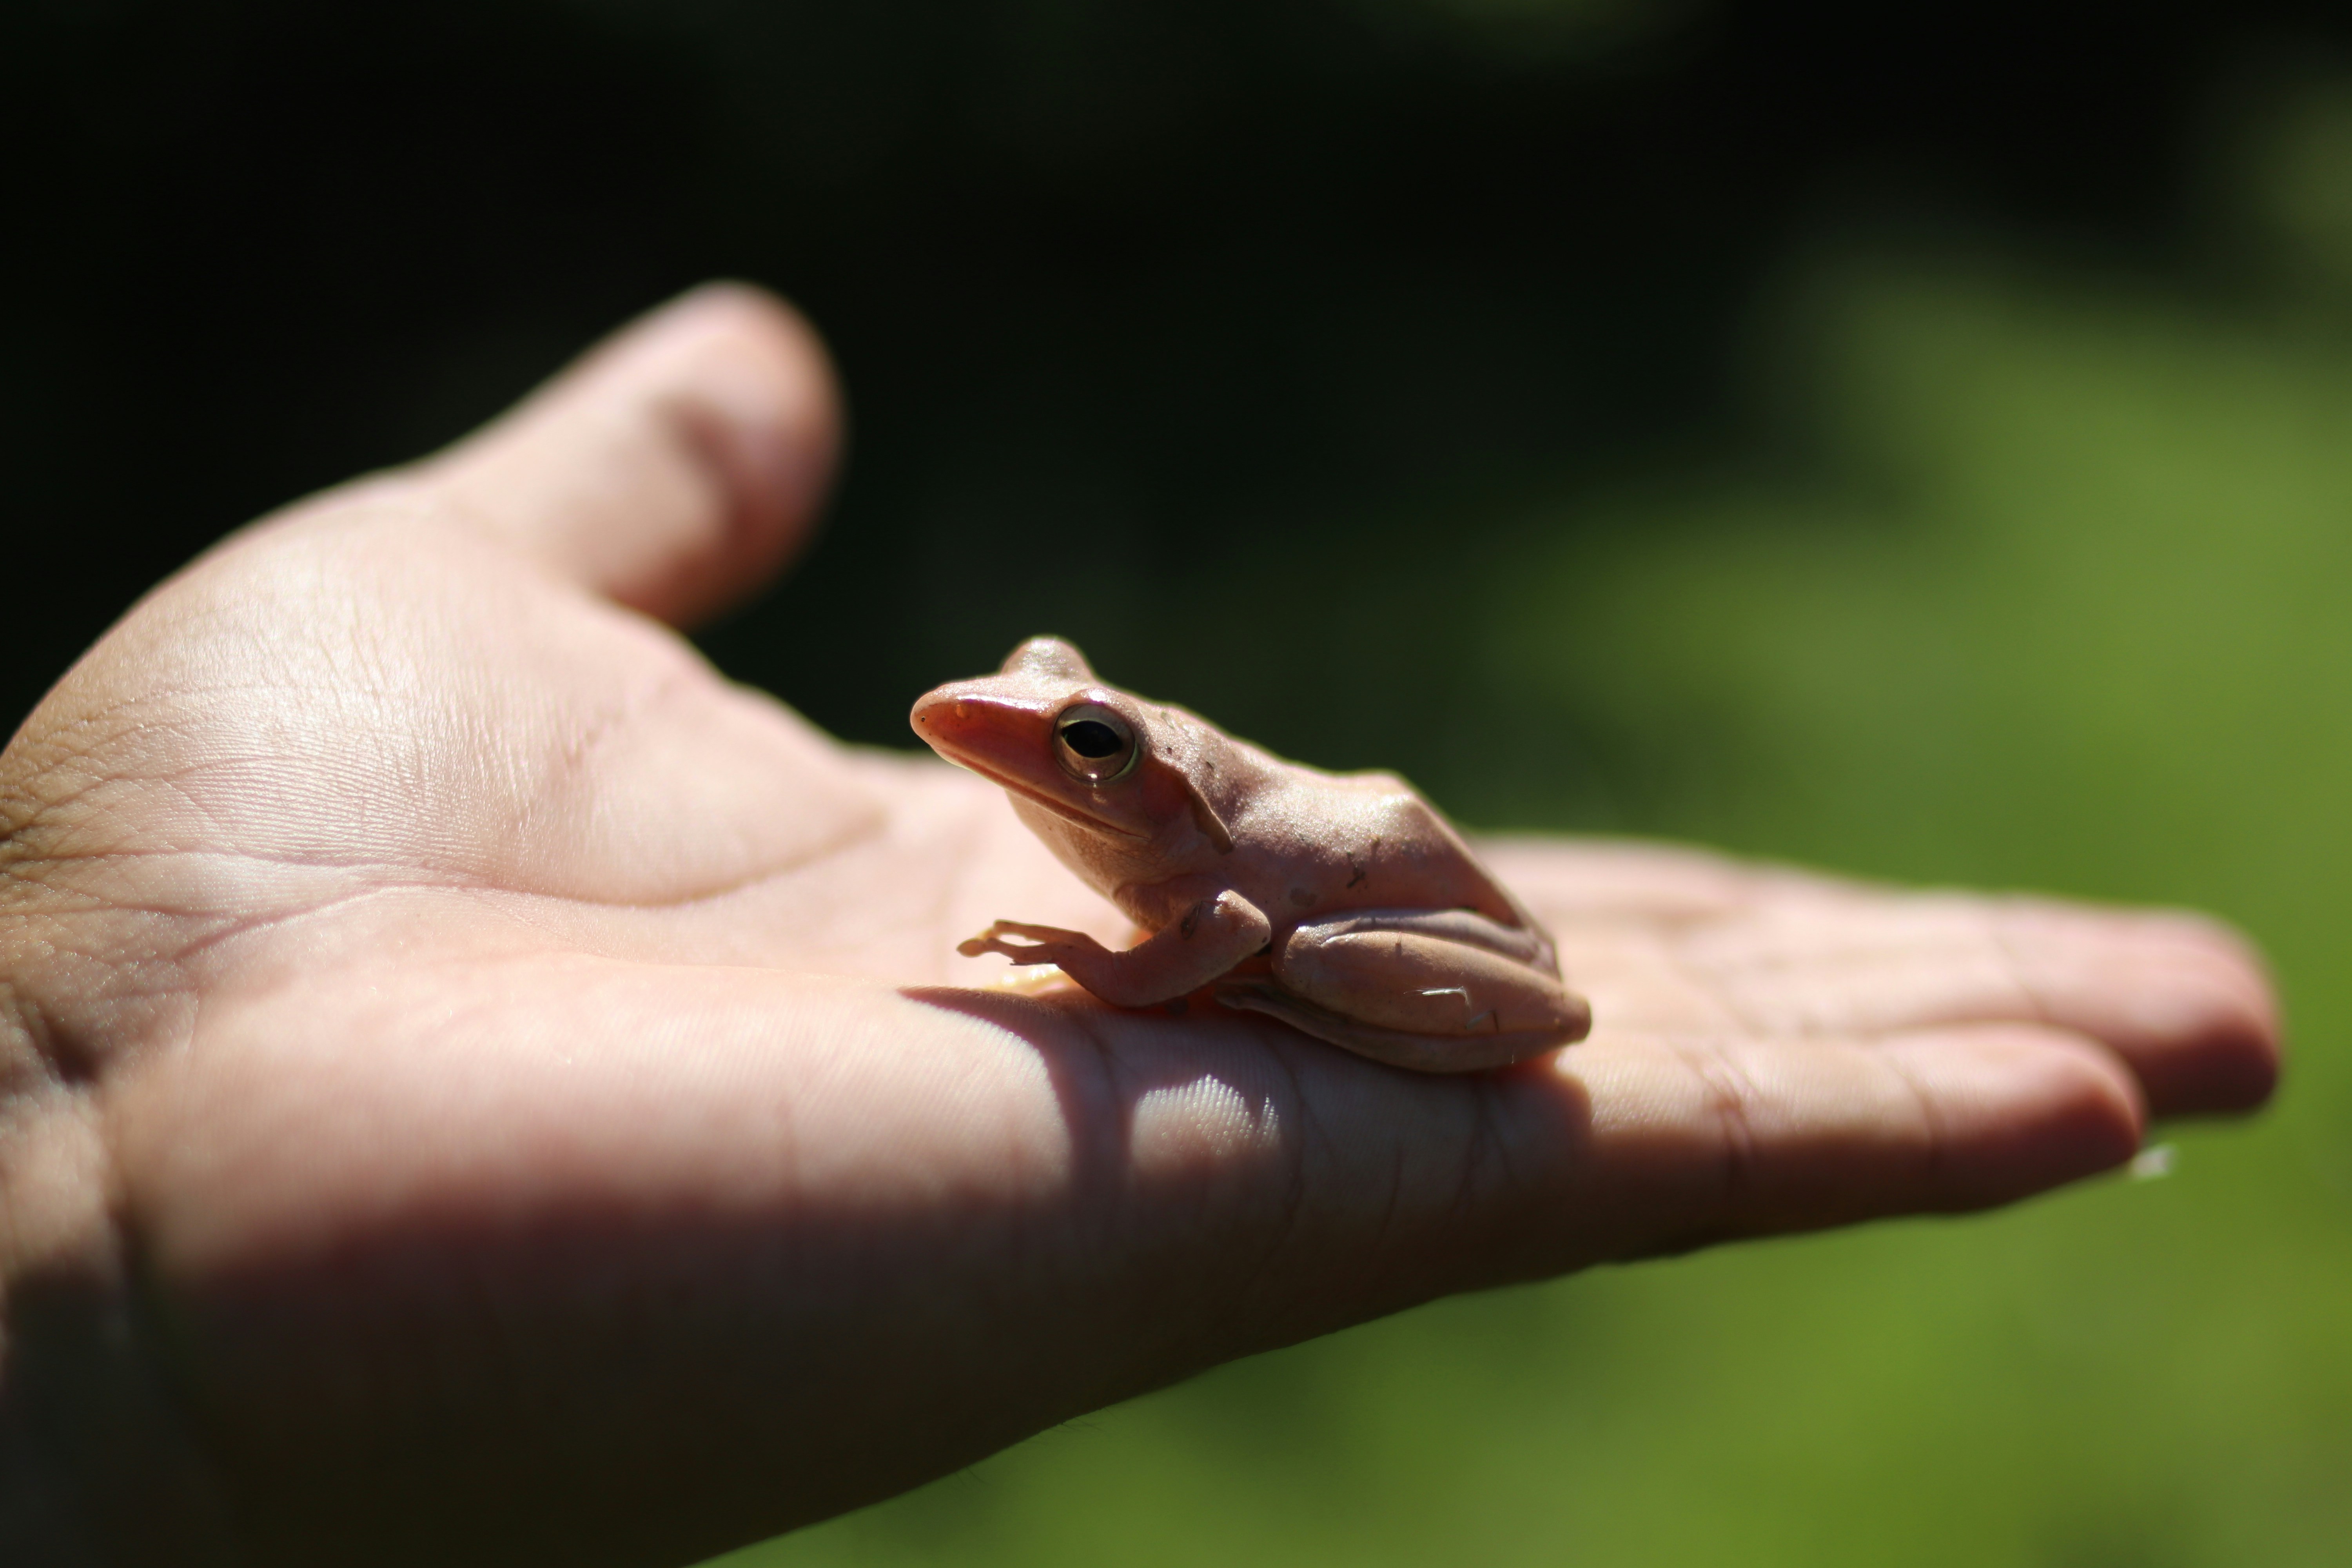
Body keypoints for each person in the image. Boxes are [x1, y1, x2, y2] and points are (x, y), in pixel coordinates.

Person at [0, 286, 2279, 1567]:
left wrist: (1120, 966)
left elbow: (1207, 937)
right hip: (1353, 874)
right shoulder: (1132, 787)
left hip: (1397, 939)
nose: (1038, 745)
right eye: (1059, 729)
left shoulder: (1177, 857)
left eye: (1077, 748)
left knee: (1278, 951)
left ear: (1129, 770)